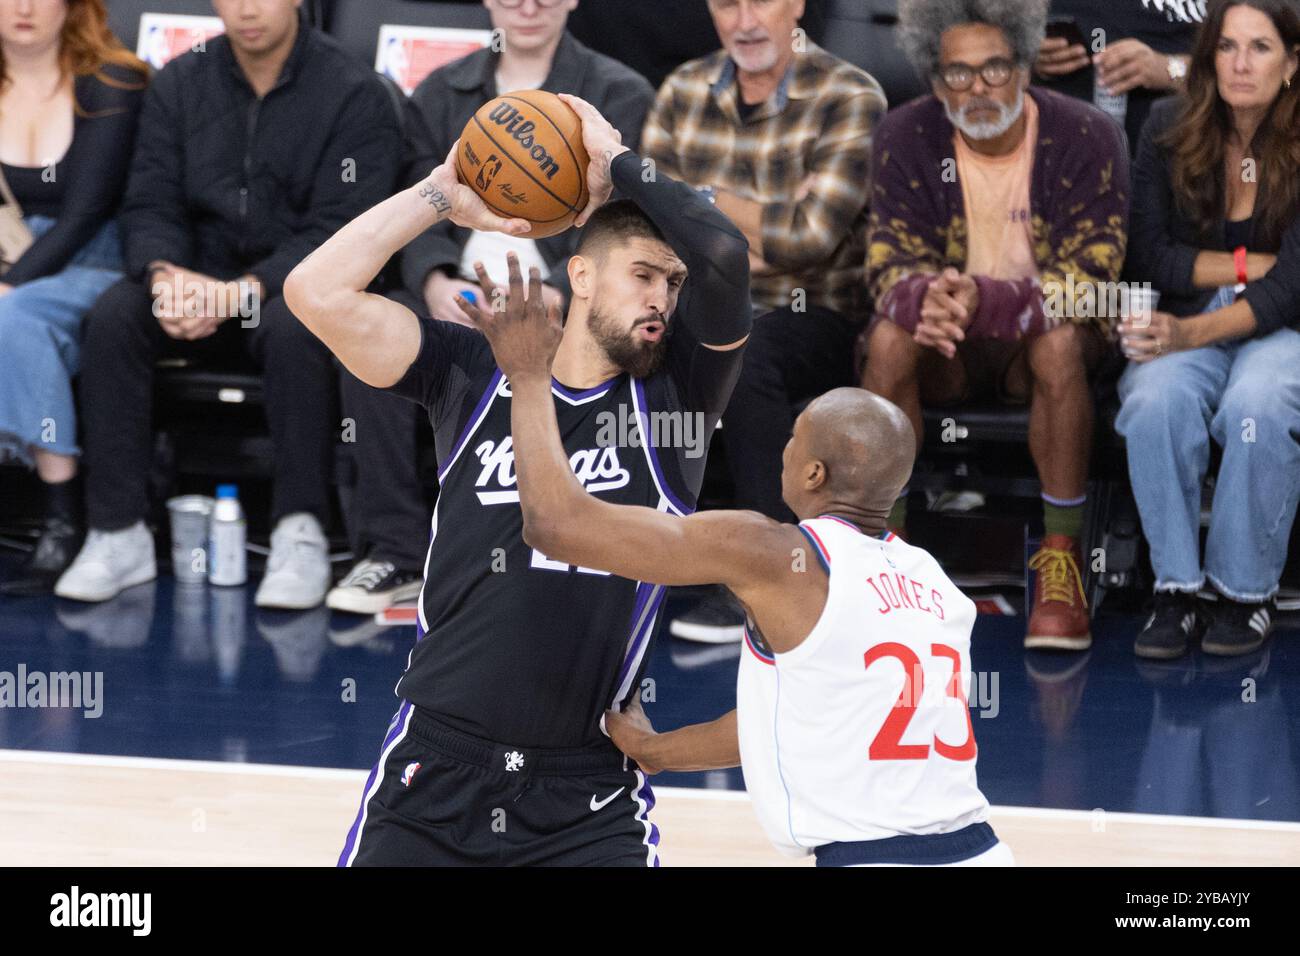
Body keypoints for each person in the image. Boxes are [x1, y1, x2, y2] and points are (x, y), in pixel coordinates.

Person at [285, 96, 751, 866]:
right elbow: (314, 293)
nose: (662, 298)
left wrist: (615, 163)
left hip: (585, 791)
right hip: (435, 764)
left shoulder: (679, 401)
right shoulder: (470, 371)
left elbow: (725, 256)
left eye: (671, 283)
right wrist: (442, 193)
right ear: (581, 274)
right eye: (642, 275)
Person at [464, 277, 1010, 866]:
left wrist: (525, 376)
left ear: (814, 475)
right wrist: (656, 752)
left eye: (794, 437)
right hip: (982, 852)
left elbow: (555, 526)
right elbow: (796, 719)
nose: (783, 448)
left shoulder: (771, 552)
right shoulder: (932, 581)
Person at [53, 0, 403, 608]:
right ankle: (118, 530)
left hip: (291, 287)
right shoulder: (180, 80)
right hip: (193, 281)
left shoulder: (354, 89)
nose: (246, 8)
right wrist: (164, 275)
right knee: (113, 318)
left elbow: (347, 226)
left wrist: (247, 288)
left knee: (296, 329)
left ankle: (301, 528)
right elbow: (148, 199)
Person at [326, 0, 655, 616]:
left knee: (611, 321)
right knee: (368, 324)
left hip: (568, 298)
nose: (528, 6)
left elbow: (628, 220)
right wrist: (433, 277)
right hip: (459, 295)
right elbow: (411, 202)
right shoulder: (439, 91)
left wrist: (561, 286)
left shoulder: (619, 93)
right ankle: (395, 551)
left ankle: (582, 549)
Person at [862, 0, 1130, 652]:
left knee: (1062, 338)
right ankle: (879, 558)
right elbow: (885, 265)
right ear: (933, 79)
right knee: (887, 337)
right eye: (958, 74)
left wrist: (984, 299)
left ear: (1024, 66)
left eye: (994, 69)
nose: (977, 89)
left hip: (1037, 346)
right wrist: (922, 297)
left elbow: (1094, 282)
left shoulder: (1085, 133)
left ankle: (1061, 558)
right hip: (946, 346)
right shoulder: (904, 134)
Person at [641, 0, 886, 642]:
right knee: (613, 335)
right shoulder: (682, 89)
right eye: (727, 3)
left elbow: (810, 239)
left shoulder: (849, 94)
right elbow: (647, 225)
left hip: (816, 312)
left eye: (763, 1)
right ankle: (623, 557)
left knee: (748, 355)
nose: (745, 19)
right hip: (690, 300)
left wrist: (702, 202)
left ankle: (773, 574)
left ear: (797, 5)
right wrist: (745, 235)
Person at [1117, 0, 1300, 659]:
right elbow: (1149, 254)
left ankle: (1244, 593)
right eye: (1227, 47)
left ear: (1291, 64)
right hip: (1195, 307)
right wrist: (1249, 263)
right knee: (1151, 397)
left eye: (1260, 47)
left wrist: (1190, 334)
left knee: (1260, 403)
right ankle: (1175, 589)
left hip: (1286, 325)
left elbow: (1291, 289)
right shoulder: (1168, 125)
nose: (1241, 63)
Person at [0, 0, 146, 596]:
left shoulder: (113, 79)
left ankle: (61, 514)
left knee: (15, 316)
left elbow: (85, 211)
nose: (25, 6)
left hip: (91, 261)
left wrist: (10, 283)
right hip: (8, 258)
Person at [1033, 0, 1204, 152]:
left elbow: (1226, 66)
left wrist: (1168, 69)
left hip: (1173, 150)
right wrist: (1030, 53)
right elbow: (1013, 36)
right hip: (1064, 151)